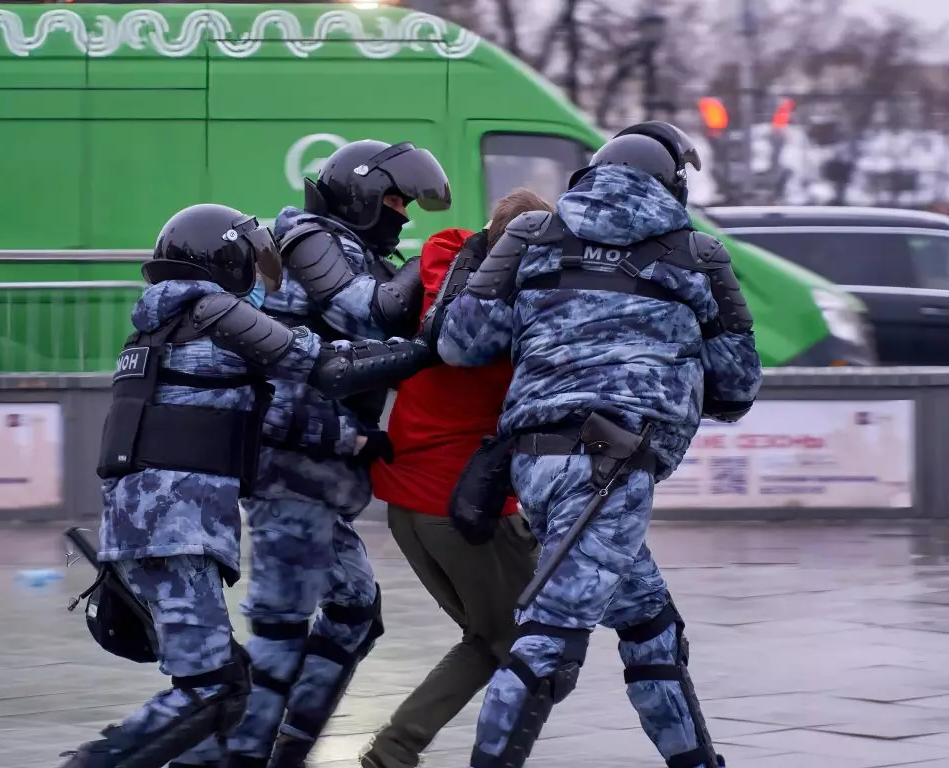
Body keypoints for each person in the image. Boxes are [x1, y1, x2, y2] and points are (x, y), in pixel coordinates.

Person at [432, 122, 763, 768]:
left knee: (651, 630)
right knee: (549, 648)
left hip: (534, 464)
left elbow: (458, 343)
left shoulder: (534, 237)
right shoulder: (698, 256)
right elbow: (739, 386)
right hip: (612, 471)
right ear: (672, 186)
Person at [60, 203, 435, 768]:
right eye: (250, 259)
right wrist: (425, 348)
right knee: (210, 689)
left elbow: (259, 408)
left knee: (222, 685)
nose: (260, 278)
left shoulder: (159, 324)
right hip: (176, 525)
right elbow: (321, 364)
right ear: (225, 258)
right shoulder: (214, 312)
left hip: (151, 523)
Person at [195, 140, 452, 768]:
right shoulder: (314, 242)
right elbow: (372, 318)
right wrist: (444, 256)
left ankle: (282, 750)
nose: (402, 214)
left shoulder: (353, 253)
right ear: (361, 192)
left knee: (356, 614)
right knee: (281, 638)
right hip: (290, 464)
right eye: (394, 200)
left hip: (317, 471)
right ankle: (223, 756)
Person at [362, 190, 554, 768]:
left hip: (406, 502)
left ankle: (397, 751)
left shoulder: (442, 275)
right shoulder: (520, 312)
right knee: (520, 638)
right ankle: (395, 752)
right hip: (465, 506)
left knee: (492, 635)